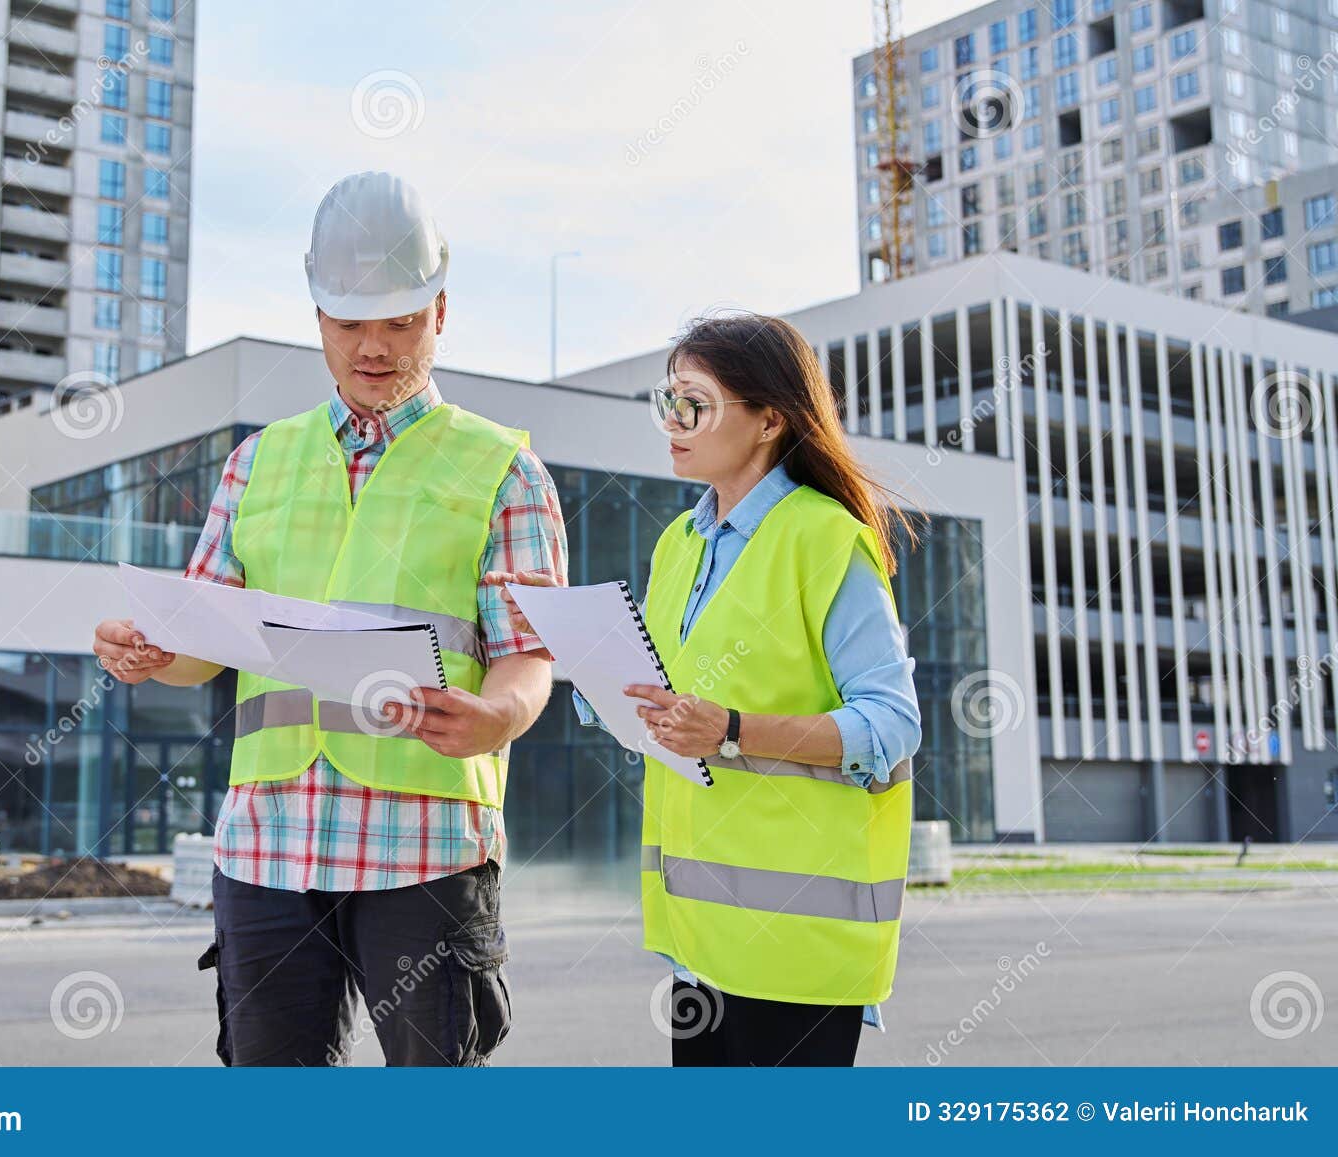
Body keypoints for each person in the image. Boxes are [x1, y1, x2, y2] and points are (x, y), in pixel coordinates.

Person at [92, 172, 567, 1066]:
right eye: (349, 322)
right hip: (268, 842)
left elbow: (527, 656)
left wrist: (497, 716)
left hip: (422, 843)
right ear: (317, 316)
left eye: (398, 321)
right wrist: (153, 651)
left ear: (440, 311)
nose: (373, 346)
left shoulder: (503, 471)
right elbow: (203, 645)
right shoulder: (255, 464)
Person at [494, 312, 922, 1066]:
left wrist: (732, 728)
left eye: (695, 402)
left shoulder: (826, 538)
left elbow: (891, 725)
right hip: (700, 939)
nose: (673, 421)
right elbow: (654, 698)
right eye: (667, 401)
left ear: (767, 420)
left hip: (798, 946)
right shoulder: (679, 543)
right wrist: (574, 638)